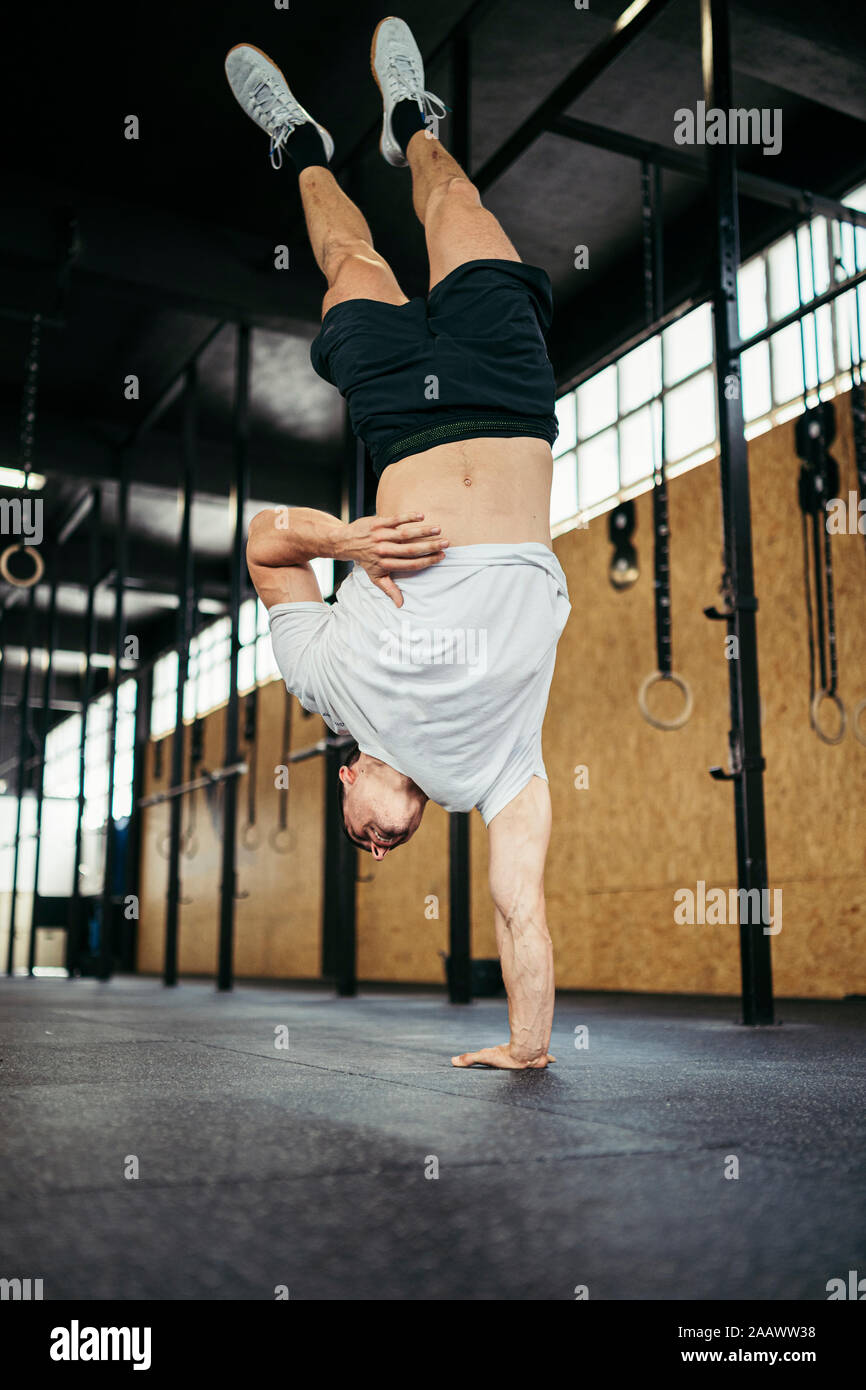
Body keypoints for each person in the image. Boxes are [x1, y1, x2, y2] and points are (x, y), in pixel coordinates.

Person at [227, 17, 570, 1069]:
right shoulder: (497, 779)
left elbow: (262, 545)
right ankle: (415, 123)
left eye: (359, 836)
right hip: (510, 404)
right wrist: (525, 1043)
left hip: (401, 423)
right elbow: (518, 903)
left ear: (342, 785)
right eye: (386, 845)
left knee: (347, 253)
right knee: (458, 204)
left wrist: (351, 542)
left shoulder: (324, 685)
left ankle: (300, 144)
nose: (377, 840)